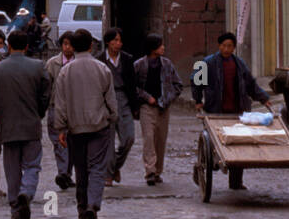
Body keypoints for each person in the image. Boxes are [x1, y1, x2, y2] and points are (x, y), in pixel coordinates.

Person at [191, 31, 272, 191]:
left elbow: (251, 85)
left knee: (238, 145)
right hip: (216, 110)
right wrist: (198, 101)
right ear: (219, 46)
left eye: (229, 46)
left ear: (234, 48)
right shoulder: (207, 63)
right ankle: (205, 165)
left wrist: (264, 98)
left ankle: (236, 182)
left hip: (237, 110)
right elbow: (196, 81)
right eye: (223, 46)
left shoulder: (240, 64)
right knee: (215, 144)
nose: (226, 49)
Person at [53, 28, 117, 219]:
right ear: (91, 45)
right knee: (97, 167)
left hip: (75, 128)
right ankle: (93, 204)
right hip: (99, 126)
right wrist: (112, 118)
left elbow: (60, 103)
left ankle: (82, 208)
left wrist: (61, 128)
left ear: (72, 46)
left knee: (80, 169)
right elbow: (111, 100)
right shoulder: (102, 68)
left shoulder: (65, 71)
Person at [0, 28, 50, 219]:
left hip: (7, 126)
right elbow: (46, 95)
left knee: (12, 168)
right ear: (27, 47)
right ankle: (27, 192)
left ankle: (15, 207)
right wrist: (38, 113)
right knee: (32, 165)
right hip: (31, 125)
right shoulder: (38, 66)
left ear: (9, 46)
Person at [134, 34, 183, 187]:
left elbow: (178, 85)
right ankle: (150, 171)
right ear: (153, 48)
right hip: (146, 107)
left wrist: (168, 98)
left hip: (163, 108)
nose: (163, 48)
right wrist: (146, 97)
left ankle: (157, 171)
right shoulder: (139, 65)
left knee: (160, 140)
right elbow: (133, 87)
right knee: (148, 138)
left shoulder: (167, 64)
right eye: (160, 45)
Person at [99, 27, 139, 186]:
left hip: (123, 100)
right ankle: (107, 174)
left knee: (128, 138)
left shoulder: (127, 60)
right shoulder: (100, 60)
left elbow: (133, 84)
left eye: (120, 40)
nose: (118, 43)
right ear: (108, 42)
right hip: (105, 101)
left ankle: (115, 166)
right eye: (115, 40)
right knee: (108, 140)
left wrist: (135, 105)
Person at [46, 31, 76, 189]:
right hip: (55, 107)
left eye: (70, 44)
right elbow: (46, 87)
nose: (68, 48)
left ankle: (66, 173)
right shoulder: (53, 64)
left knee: (71, 141)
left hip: (75, 109)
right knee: (59, 142)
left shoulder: (78, 63)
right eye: (65, 44)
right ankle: (63, 173)